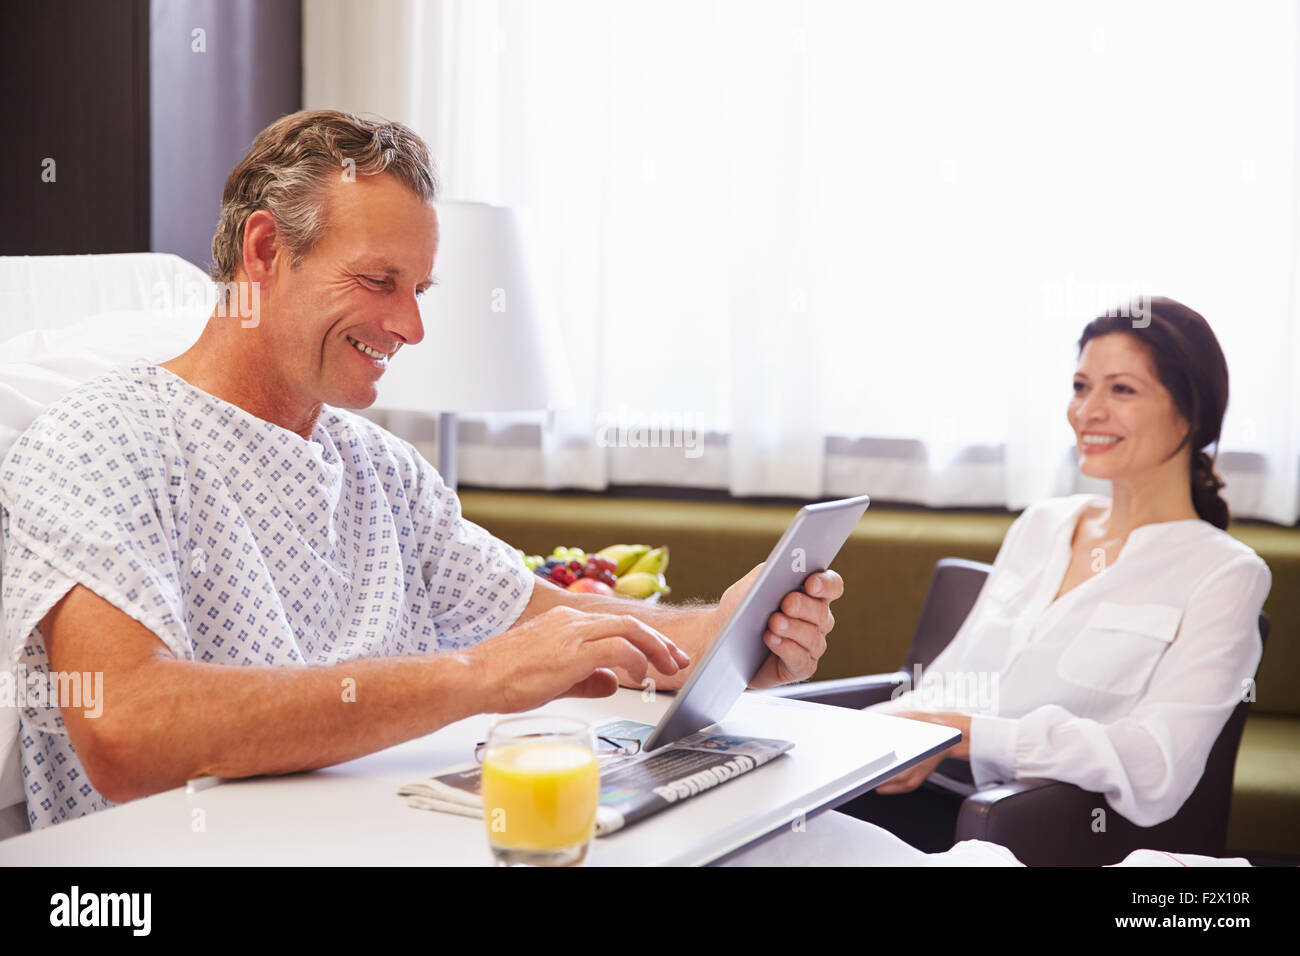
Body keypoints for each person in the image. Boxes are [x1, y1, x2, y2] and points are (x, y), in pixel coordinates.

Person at [0, 110, 845, 830]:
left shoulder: (382, 473)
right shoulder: (100, 443)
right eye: (377, 281)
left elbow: (563, 631)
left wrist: (736, 635)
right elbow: (126, 732)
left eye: (420, 290)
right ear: (264, 252)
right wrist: (476, 676)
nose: (410, 326)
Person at [834, 296, 1271, 853]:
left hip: (1018, 831)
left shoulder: (1224, 573)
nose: (1087, 411)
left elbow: (1156, 765)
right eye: (1081, 386)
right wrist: (855, 739)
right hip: (908, 790)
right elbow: (946, 682)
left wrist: (962, 737)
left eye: (1122, 389)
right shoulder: (1042, 524)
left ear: (1193, 413)